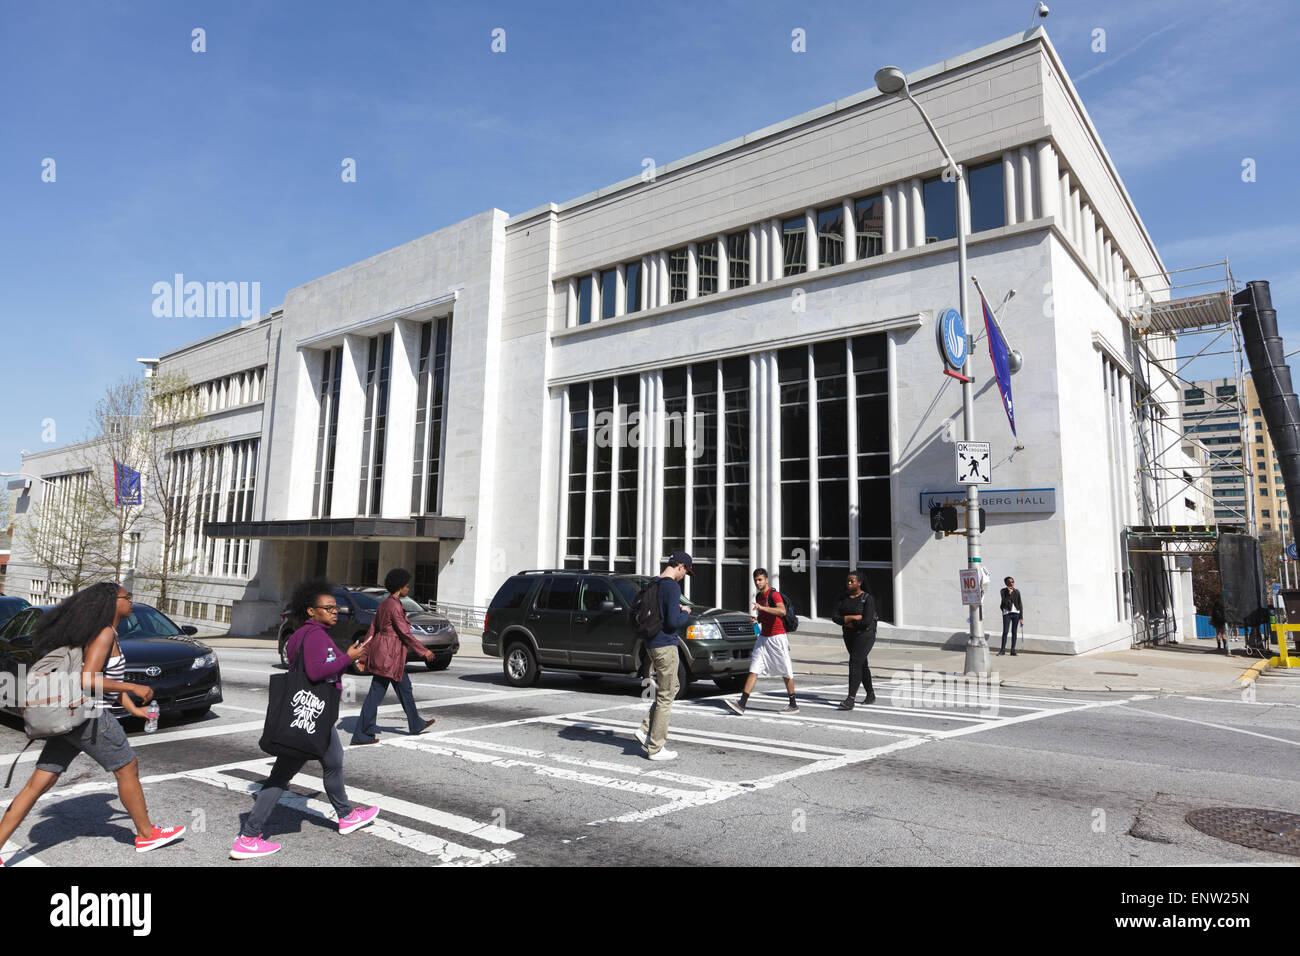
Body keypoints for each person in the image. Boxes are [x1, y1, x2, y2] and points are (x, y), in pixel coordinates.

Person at [0, 583, 186, 866]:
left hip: (72, 717)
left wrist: (133, 708)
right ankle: (147, 834)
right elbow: (88, 679)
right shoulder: (103, 634)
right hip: (91, 718)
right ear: (112, 602)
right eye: (127, 597)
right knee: (127, 768)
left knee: (37, 785)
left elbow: (105, 676)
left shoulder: (104, 633)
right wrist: (134, 688)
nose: (131, 602)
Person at [230, 578, 378, 859]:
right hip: (309, 717)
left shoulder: (299, 635)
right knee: (281, 775)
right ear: (311, 611)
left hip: (314, 714)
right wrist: (347, 658)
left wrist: (345, 662)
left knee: (333, 761)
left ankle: (346, 815)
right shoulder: (315, 636)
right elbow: (315, 672)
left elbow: (319, 669)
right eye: (329, 608)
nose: (336, 611)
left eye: (336, 608)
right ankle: (249, 836)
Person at [350, 568, 437, 745]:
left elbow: (371, 632)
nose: (408, 588)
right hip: (390, 656)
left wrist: (365, 657)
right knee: (375, 695)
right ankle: (361, 734)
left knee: (405, 689)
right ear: (399, 587)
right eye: (406, 585)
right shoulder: (395, 606)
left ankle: (415, 724)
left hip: (390, 656)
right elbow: (405, 634)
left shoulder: (384, 605)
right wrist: (424, 651)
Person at [633, 552, 693, 761]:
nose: (684, 576)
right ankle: (656, 747)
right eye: (686, 571)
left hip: (650, 643)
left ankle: (644, 730)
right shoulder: (672, 586)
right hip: (665, 644)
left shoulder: (654, 583)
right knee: (667, 696)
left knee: (672, 687)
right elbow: (672, 623)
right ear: (681, 567)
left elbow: (659, 613)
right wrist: (685, 612)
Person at [724, 568, 799, 715]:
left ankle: (793, 704)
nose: (758, 583)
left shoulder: (774, 594)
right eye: (755, 580)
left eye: (760, 579)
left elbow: (781, 611)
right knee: (754, 668)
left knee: (785, 670)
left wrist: (763, 608)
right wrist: (757, 619)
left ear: (766, 580)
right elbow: (765, 616)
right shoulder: (759, 597)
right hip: (763, 637)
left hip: (777, 637)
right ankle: (742, 703)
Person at [830, 570, 877, 710]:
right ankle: (870, 694)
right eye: (848, 581)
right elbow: (835, 617)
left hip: (865, 635)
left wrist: (846, 620)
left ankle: (850, 699)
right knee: (861, 664)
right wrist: (853, 618)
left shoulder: (867, 598)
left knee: (855, 662)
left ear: (859, 583)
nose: (849, 583)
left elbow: (866, 621)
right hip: (849, 634)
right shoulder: (842, 597)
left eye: (852, 581)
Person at [998, 576, 1023, 656]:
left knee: (1014, 632)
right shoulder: (1003, 591)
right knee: (1005, 631)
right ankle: (1002, 650)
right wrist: (1009, 594)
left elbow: (1020, 604)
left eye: (1013, 582)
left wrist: (1021, 617)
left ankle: (1013, 650)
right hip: (1007, 614)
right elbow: (1004, 602)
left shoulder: (1017, 591)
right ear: (1006, 583)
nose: (1012, 583)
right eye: (1010, 582)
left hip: (1016, 613)